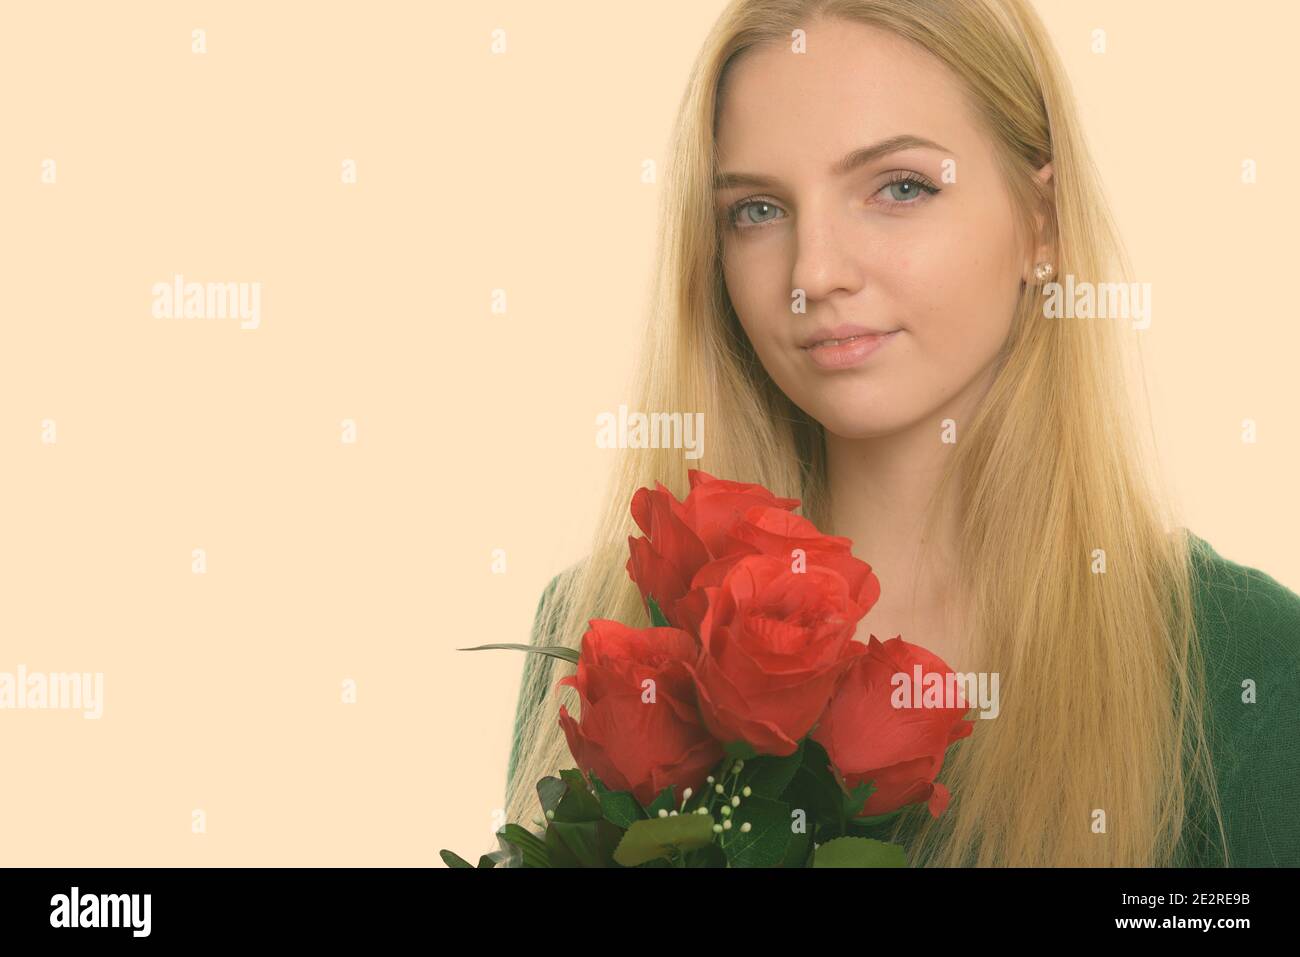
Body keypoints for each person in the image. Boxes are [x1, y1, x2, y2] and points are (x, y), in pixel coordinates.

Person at [503, 0, 1300, 867]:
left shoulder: (1246, 666)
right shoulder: (610, 636)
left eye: (900, 188)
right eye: (758, 210)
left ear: (1046, 222)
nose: (813, 273)